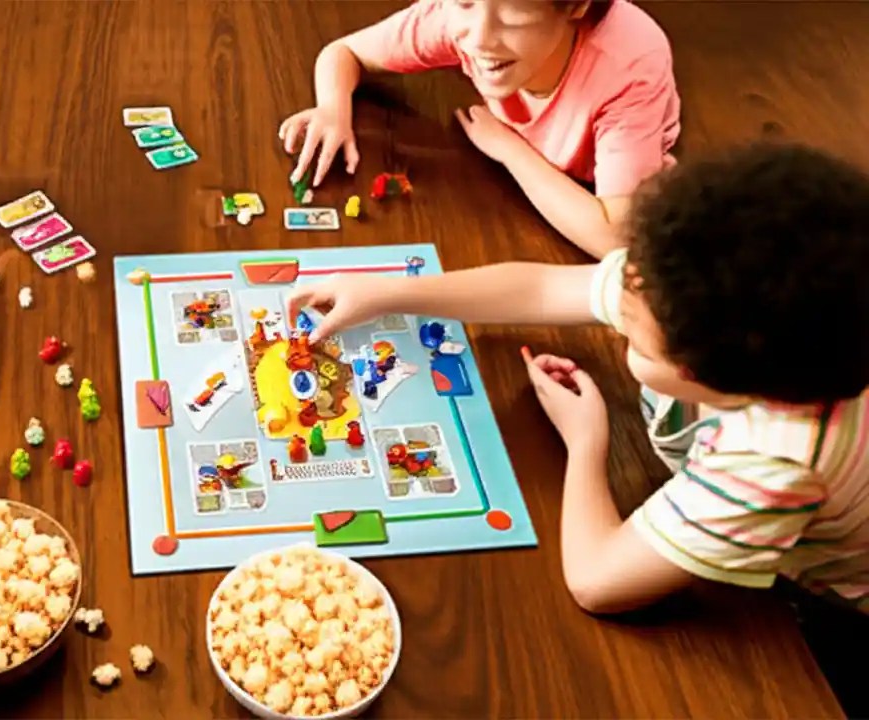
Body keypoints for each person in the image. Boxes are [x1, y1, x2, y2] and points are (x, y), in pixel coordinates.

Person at [287, 144, 869, 624]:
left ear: (699, 372)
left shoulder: (769, 464)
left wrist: (588, 443)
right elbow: (540, 290)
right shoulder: (683, 278)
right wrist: (387, 293)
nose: (617, 307)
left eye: (635, 337)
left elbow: (596, 581)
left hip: (827, 596)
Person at [280, 0, 680, 258]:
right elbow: (343, 52)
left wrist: (511, 149)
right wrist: (332, 107)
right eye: (465, 4)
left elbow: (614, 238)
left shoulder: (629, 65)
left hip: (602, 185)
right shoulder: (457, 18)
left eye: (513, 13)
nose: (480, 38)